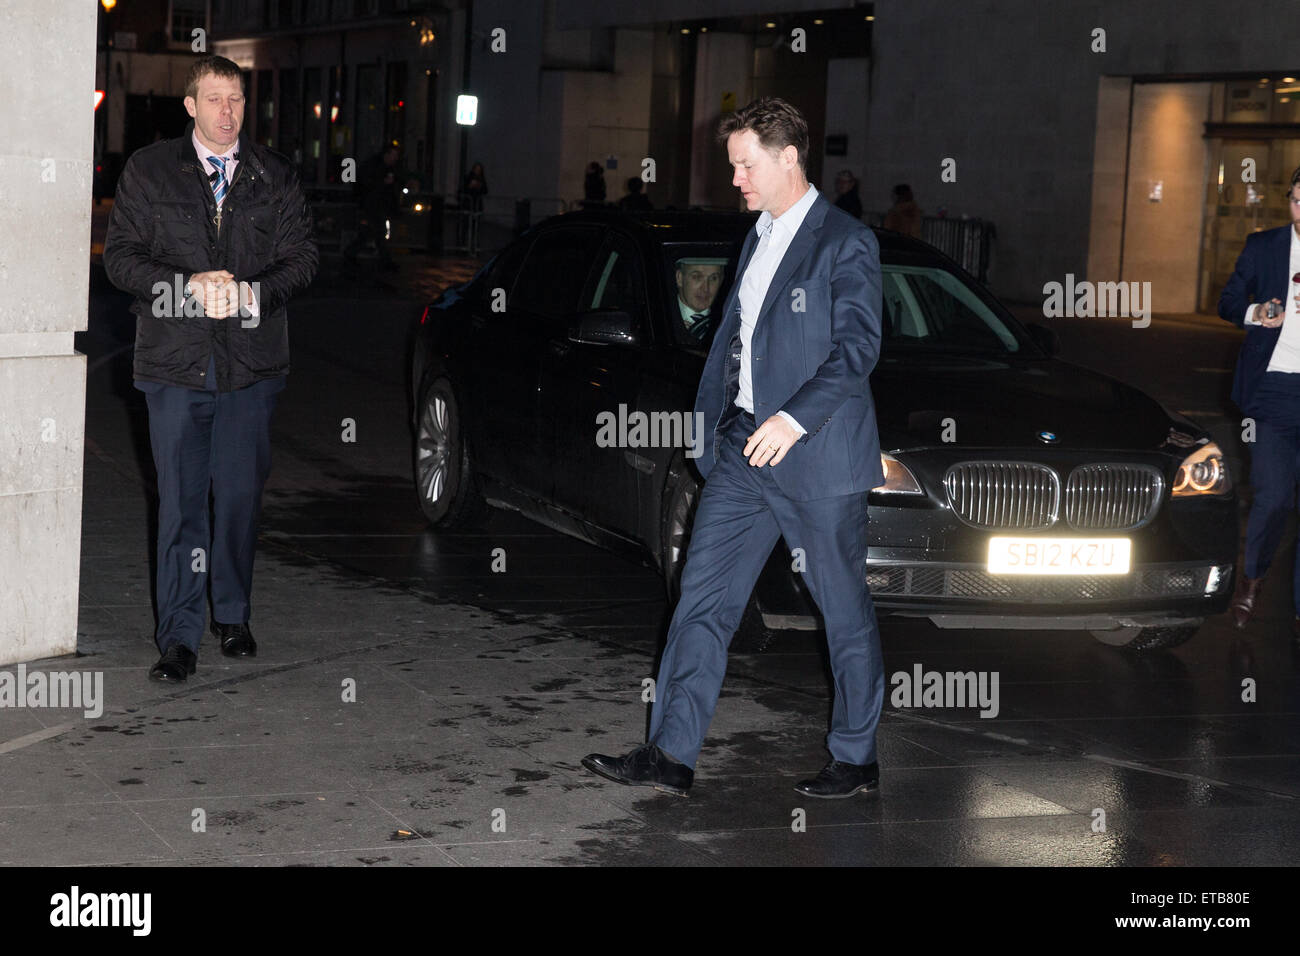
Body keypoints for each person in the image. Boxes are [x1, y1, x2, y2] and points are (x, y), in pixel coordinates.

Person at [583, 97, 887, 798]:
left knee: (841, 610)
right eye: (734, 167)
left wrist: (795, 420)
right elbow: (734, 341)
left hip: (814, 455)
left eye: (746, 165)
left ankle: (856, 755)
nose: (737, 180)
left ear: (788, 159)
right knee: (700, 599)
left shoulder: (846, 242)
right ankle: (670, 753)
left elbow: (857, 349)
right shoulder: (757, 235)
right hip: (744, 450)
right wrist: (718, 428)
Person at [103, 55, 318, 682]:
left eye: (238, 100)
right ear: (190, 106)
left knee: (241, 499)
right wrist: (186, 285)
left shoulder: (273, 175)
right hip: (175, 366)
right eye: (216, 99)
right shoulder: (149, 170)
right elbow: (121, 260)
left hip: (251, 368)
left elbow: (302, 259)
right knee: (181, 504)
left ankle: (233, 611)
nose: (229, 112)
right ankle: (178, 635)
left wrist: (251, 293)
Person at [1219, 164, 1300, 640]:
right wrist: (1257, 312)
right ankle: (1252, 579)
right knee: (1272, 497)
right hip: (1274, 392)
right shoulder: (1263, 246)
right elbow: (1228, 302)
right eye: (1295, 199)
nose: (1299, 209)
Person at [344, 143, 403, 271]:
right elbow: (366, 184)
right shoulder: (374, 167)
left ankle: (351, 253)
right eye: (394, 155)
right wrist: (383, 183)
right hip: (372, 204)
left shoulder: (386, 167)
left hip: (377, 204)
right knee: (378, 232)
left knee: (371, 233)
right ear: (387, 155)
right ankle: (385, 261)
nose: (395, 158)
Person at [674, 257, 725, 341]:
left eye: (713, 278)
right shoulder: (659, 320)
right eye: (697, 277)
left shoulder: (728, 321)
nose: (705, 288)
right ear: (679, 278)